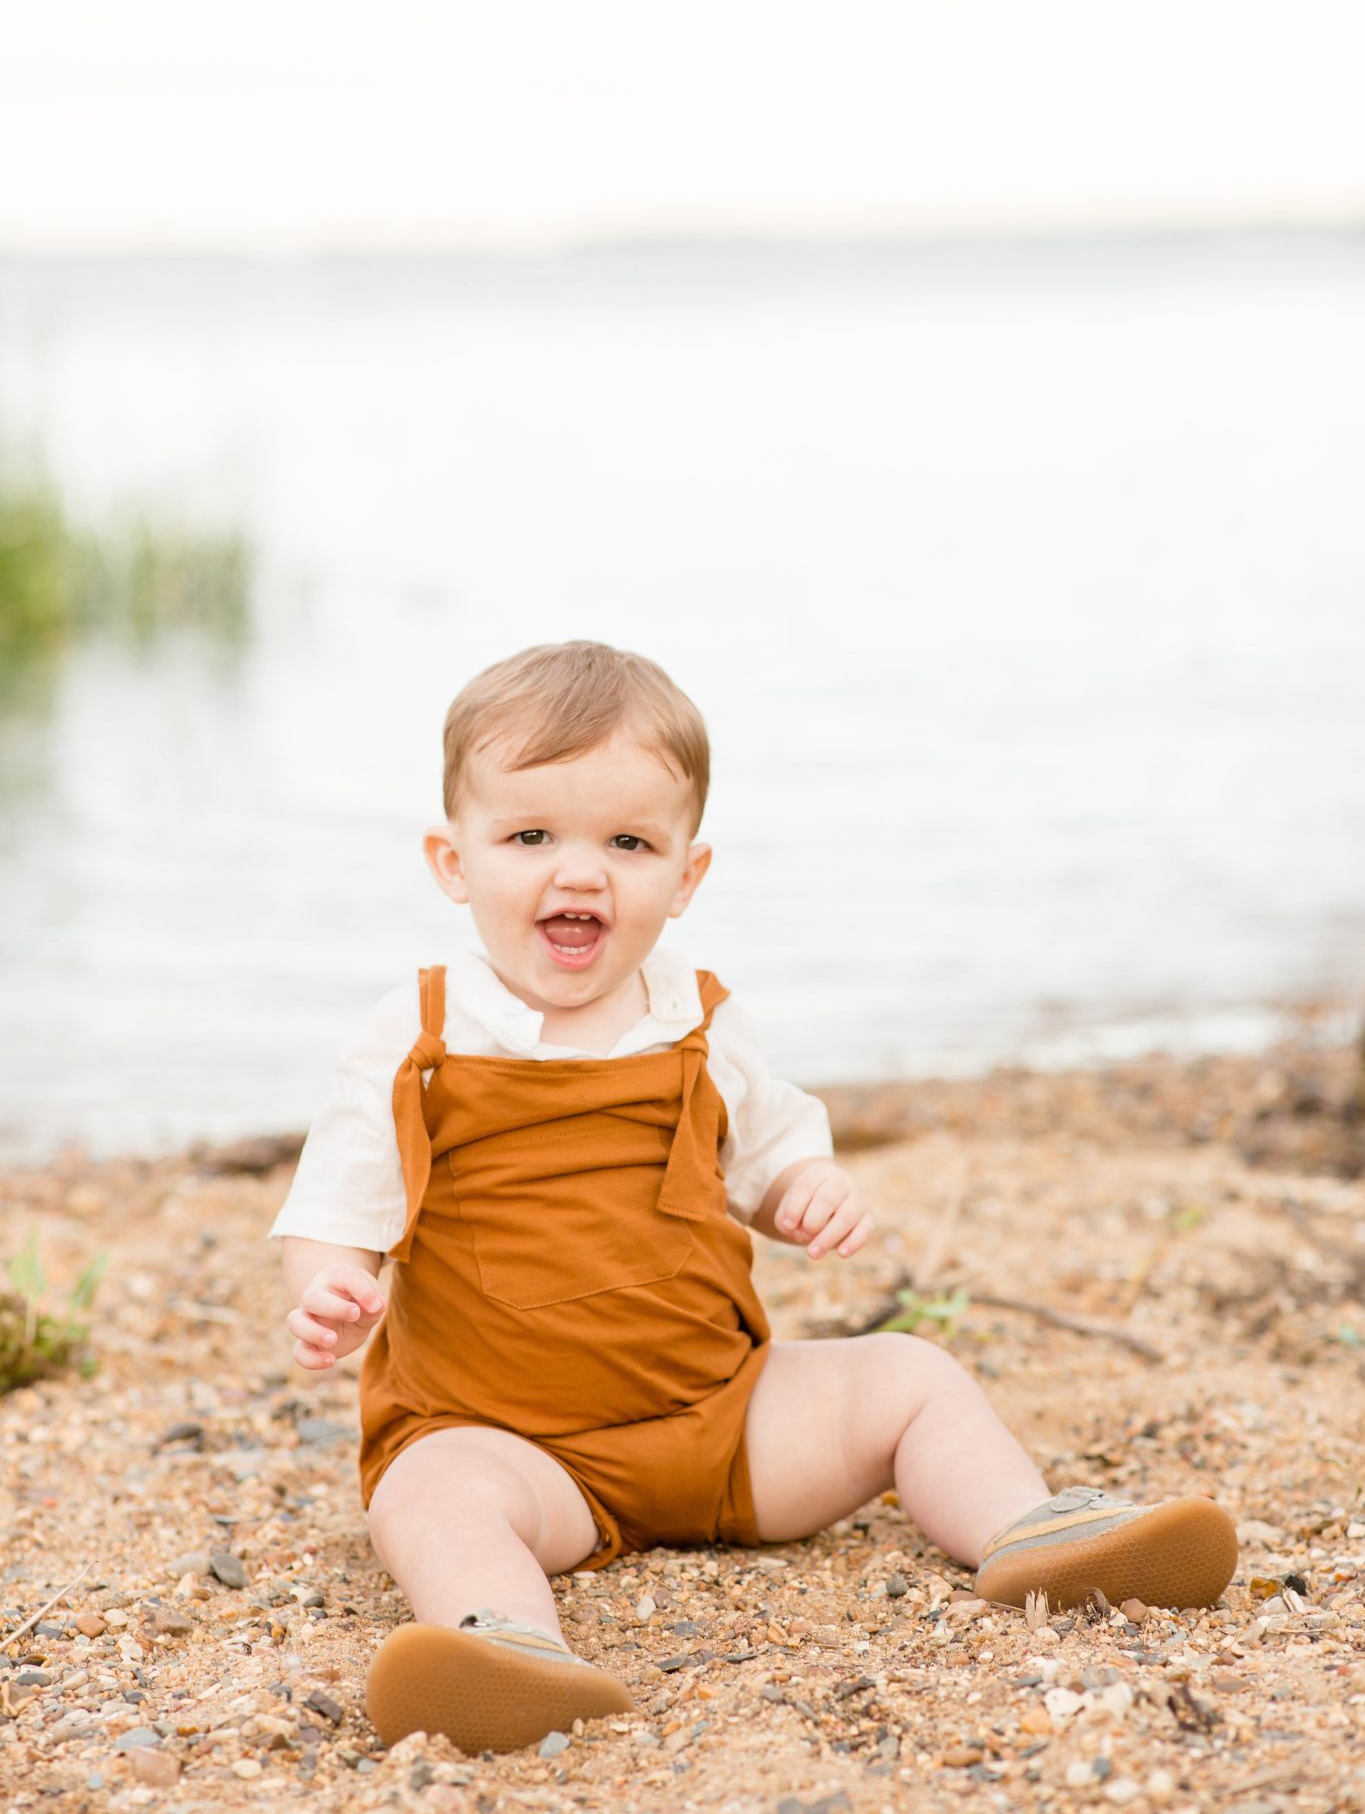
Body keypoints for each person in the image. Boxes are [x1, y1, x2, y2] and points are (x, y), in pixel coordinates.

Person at [272, 640, 1238, 1755]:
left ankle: (1029, 1529)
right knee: (429, 1491)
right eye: (530, 835)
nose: (579, 872)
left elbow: (769, 1152)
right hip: (519, 1449)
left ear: (687, 874)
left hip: (723, 1422)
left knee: (908, 1373)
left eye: (628, 842)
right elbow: (333, 1206)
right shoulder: (420, 1034)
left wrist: (803, 1189)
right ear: (454, 858)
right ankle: (505, 1641)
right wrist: (333, 1285)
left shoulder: (701, 1020)